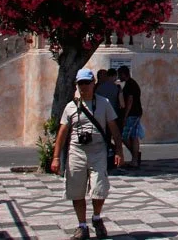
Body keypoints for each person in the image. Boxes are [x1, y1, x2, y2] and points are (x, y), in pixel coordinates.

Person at [51, 68, 125, 239]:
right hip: (76, 151)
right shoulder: (70, 107)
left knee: (99, 188)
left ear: (93, 83)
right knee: (76, 190)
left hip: (98, 151)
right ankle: (82, 225)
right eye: (81, 83)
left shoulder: (104, 103)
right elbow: (62, 132)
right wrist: (56, 157)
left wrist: (119, 151)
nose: (84, 86)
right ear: (77, 85)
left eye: (87, 83)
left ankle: (96, 217)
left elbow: (114, 128)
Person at [117, 66, 144, 168]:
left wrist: (125, 115)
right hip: (136, 112)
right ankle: (135, 160)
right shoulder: (131, 83)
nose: (119, 77)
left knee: (124, 136)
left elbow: (130, 100)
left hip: (132, 114)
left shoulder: (130, 85)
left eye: (120, 75)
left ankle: (135, 156)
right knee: (133, 136)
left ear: (124, 74)